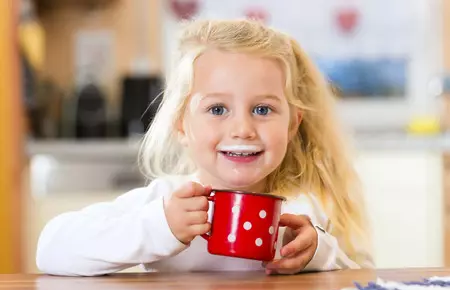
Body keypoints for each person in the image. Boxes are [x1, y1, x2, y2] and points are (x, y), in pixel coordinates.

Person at [36, 19, 373, 276]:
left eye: (262, 109)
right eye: (217, 110)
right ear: (182, 125)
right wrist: (159, 228)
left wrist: (317, 253)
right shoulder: (165, 202)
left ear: (292, 123)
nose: (242, 129)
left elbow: (360, 279)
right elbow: (51, 247)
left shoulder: (300, 212)